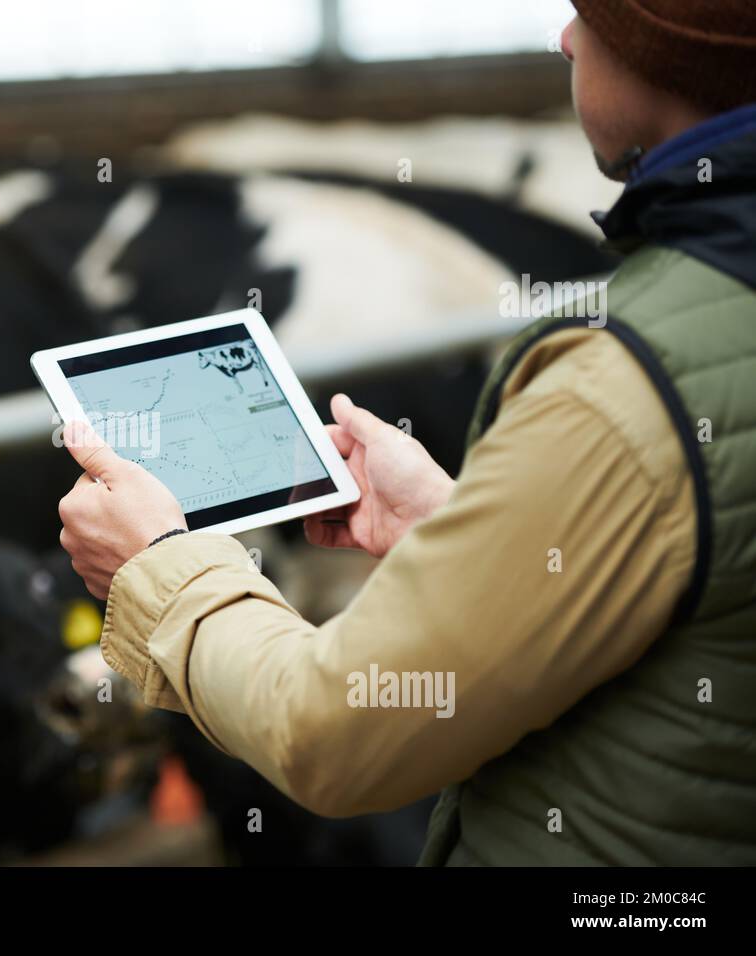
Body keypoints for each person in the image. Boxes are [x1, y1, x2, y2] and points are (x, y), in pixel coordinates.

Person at [56, 1, 756, 865]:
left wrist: (158, 565)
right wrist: (465, 527)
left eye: (590, 18)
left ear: (671, 59)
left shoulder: (621, 381)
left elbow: (334, 733)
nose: (569, 39)